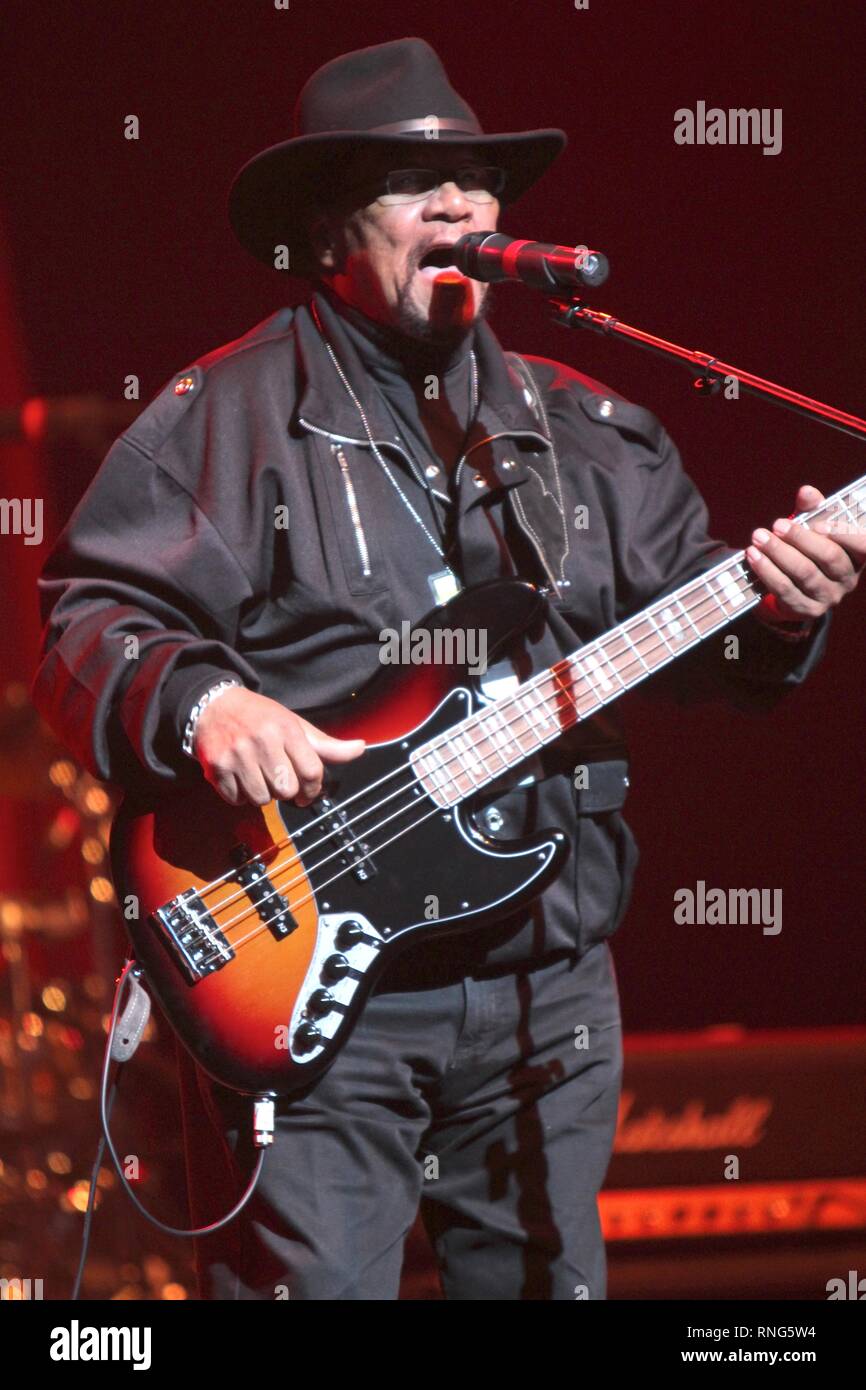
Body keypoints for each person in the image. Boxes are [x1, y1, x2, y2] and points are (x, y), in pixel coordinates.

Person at [32, 38, 863, 1300]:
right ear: (325, 237)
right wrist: (208, 703)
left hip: (546, 980)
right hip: (312, 984)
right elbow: (89, 622)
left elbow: (700, 636)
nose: (457, 204)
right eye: (408, 181)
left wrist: (784, 611)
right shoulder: (222, 417)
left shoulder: (583, 428)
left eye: (474, 179)